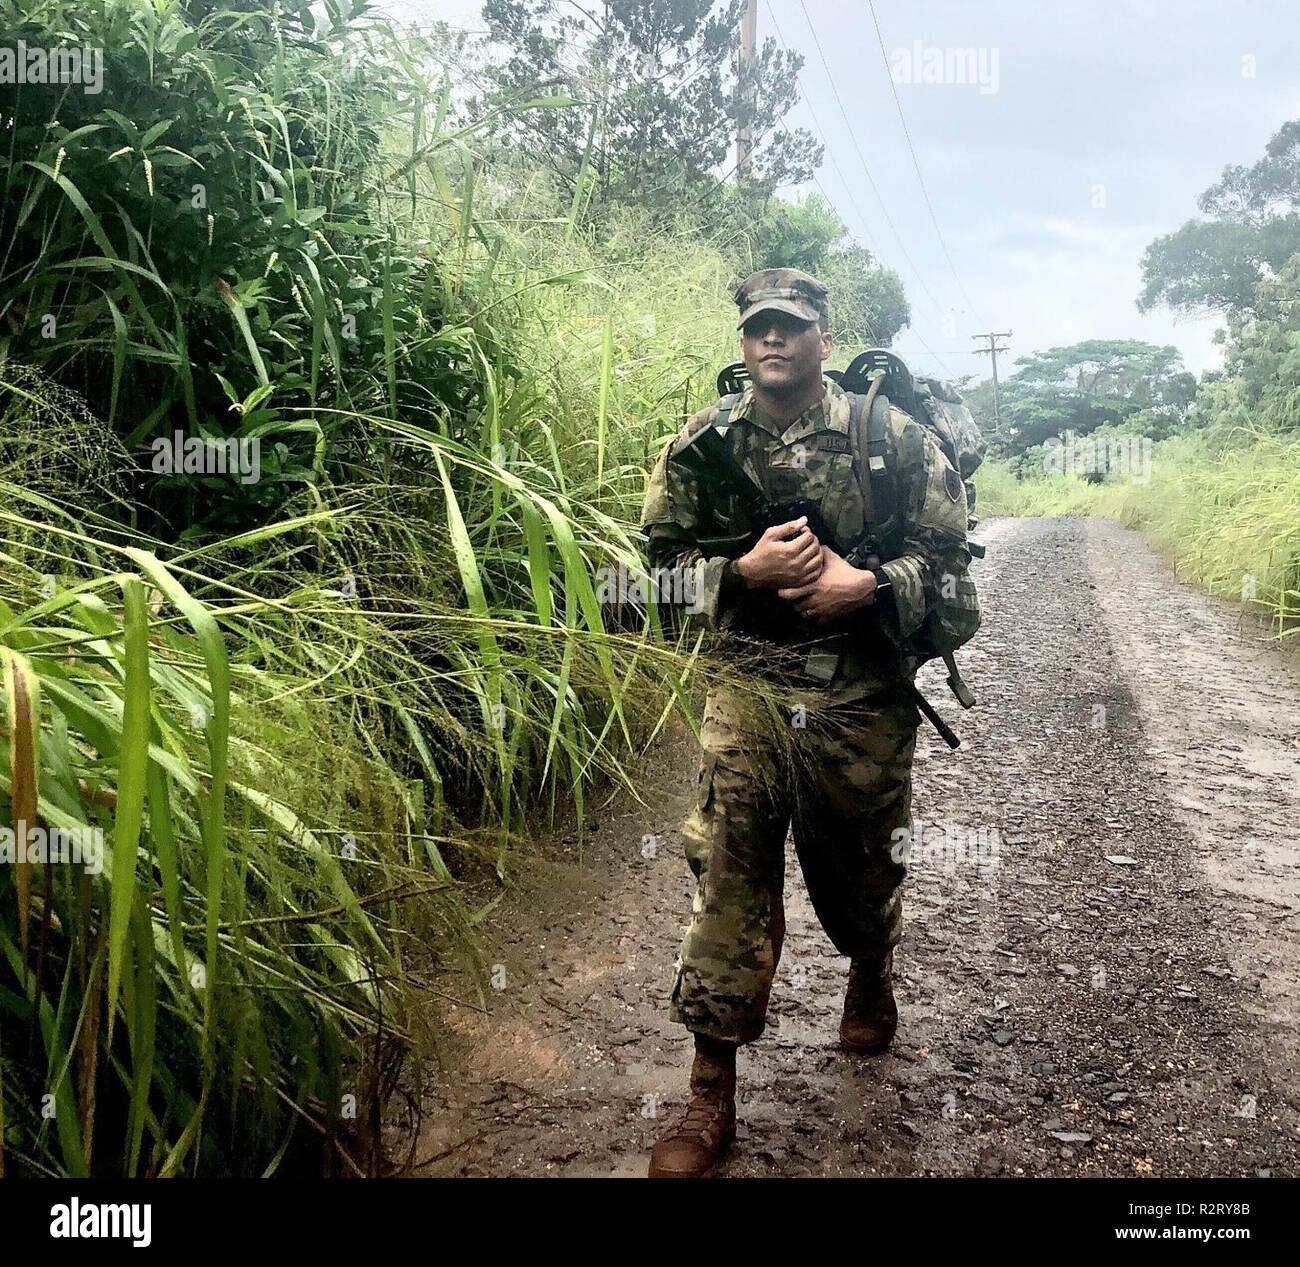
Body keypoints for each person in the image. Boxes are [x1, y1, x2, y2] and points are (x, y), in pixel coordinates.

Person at [638, 267, 977, 1178]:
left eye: (791, 327)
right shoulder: (699, 450)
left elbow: (958, 594)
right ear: (743, 343)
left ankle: (871, 965)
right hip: (748, 686)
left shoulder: (894, 442)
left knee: (863, 869)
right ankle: (711, 1091)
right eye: (758, 329)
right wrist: (737, 575)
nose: (772, 341)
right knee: (730, 870)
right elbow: (638, 592)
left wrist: (868, 586)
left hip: (860, 695)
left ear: (825, 339)